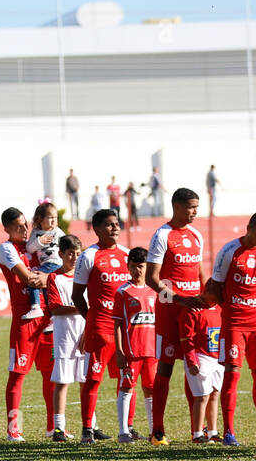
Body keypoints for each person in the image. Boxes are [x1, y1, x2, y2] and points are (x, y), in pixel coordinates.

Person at [200, 211, 256, 445]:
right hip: (234, 324)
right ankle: (229, 432)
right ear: (248, 228)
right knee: (231, 376)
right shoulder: (229, 252)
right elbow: (216, 286)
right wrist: (232, 307)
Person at [145, 188, 204, 445]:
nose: (195, 211)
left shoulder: (197, 235)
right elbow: (151, 278)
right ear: (176, 206)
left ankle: (198, 432)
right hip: (170, 311)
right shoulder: (162, 235)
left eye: (196, 206)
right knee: (166, 368)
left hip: (193, 312)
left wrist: (205, 302)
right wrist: (178, 298)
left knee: (195, 367)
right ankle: (158, 430)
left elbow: (200, 274)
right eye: (191, 206)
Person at [0, 207, 54, 442]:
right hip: (25, 319)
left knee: (51, 374)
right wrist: (49, 278)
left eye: (25, 224)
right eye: (18, 226)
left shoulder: (34, 244)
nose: (23, 229)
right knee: (18, 374)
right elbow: (26, 277)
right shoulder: (6, 249)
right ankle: (13, 429)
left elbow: (56, 269)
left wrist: (50, 276)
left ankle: (54, 427)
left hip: (47, 318)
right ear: (7, 229)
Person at [72, 209, 128, 443]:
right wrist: (91, 318)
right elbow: (77, 295)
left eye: (116, 223)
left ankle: (128, 427)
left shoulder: (127, 255)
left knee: (126, 378)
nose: (114, 228)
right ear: (96, 229)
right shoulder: (89, 256)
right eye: (108, 224)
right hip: (100, 328)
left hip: (125, 330)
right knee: (93, 378)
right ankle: (87, 429)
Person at [112, 247, 159, 443]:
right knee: (127, 388)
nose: (137, 271)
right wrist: (119, 351)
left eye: (141, 266)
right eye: (133, 267)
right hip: (132, 351)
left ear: (148, 267)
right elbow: (117, 324)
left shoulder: (156, 290)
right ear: (127, 267)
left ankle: (154, 431)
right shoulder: (123, 291)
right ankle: (123, 432)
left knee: (151, 389)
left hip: (152, 350)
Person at [45, 234, 84, 443]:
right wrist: (80, 308)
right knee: (63, 381)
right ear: (61, 254)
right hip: (64, 337)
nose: (74, 258)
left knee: (86, 381)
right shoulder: (55, 278)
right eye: (70, 254)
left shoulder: (84, 278)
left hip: (85, 335)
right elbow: (55, 308)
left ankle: (90, 425)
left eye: (78, 254)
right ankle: (58, 428)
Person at [181, 300, 223, 443]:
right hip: (201, 356)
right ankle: (197, 433)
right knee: (202, 396)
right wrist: (191, 360)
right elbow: (187, 338)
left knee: (214, 394)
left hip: (217, 357)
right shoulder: (193, 310)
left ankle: (213, 432)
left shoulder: (220, 307)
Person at [23, 201, 63, 319]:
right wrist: (40, 241)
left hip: (55, 262)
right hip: (46, 264)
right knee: (46, 289)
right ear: (40, 219)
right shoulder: (36, 232)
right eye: (50, 217)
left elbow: (66, 243)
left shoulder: (57, 232)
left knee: (33, 278)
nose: (54, 220)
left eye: (55, 217)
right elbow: (29, 248)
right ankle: (52, 317)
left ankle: (35, 306)